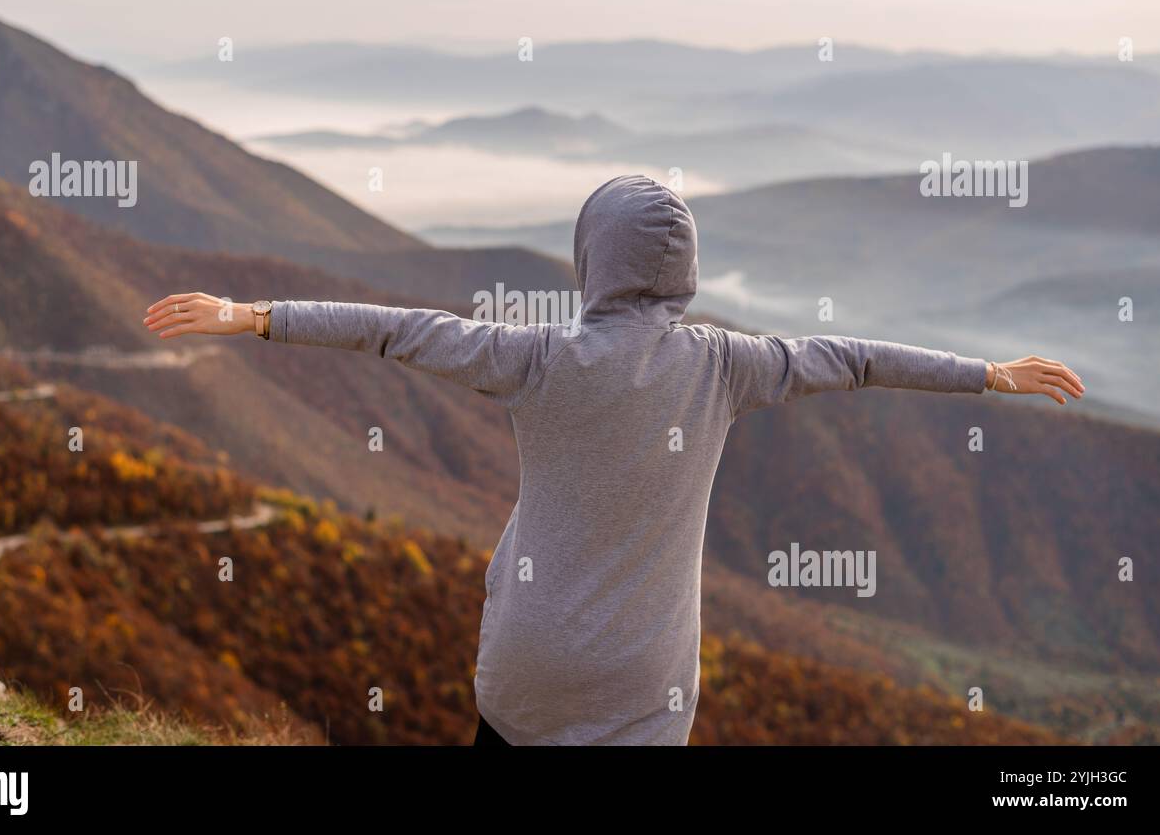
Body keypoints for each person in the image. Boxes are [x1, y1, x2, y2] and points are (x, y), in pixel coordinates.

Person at [143, 174, 1083, 746]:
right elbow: (858, 357)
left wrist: (253, 316)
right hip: (647, 685)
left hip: (529, 667)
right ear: (684, 273)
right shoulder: (726, 363)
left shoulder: (539, 356)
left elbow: (401, 331)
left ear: (592, 257)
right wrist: (989, 375)